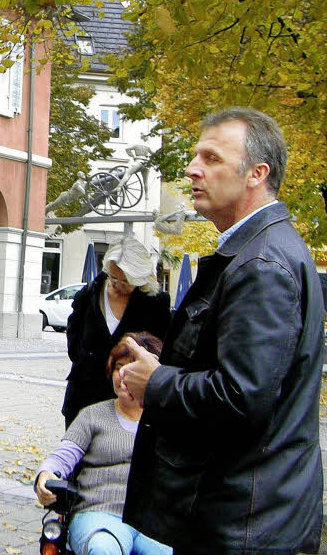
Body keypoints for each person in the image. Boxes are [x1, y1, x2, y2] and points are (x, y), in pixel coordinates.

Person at [120, 108, 324, 554]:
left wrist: (157, 382)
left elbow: (242, 397)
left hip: (246, 525)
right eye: (196, 156)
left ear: (257, 174)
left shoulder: (261, 265)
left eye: (211, 158)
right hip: (245, 515)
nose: (192, 169)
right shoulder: (255, 253)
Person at [35, 332, 171, 555]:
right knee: (103, 549)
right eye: (119, 367)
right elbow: (63, 455)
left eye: (133, 368)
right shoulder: (92, 416)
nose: (123, 375)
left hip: (152, 521)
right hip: (99, 514)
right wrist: (46, 474)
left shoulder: (168, 421)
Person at [62, 235, 170, 428]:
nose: (118, 285)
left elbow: (161, 351)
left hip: (131, 402)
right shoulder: (88, 295)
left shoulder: (155, 302)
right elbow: (74, 343)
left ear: (140, 277)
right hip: (83, 400)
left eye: (126, 281)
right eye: (113, 278)